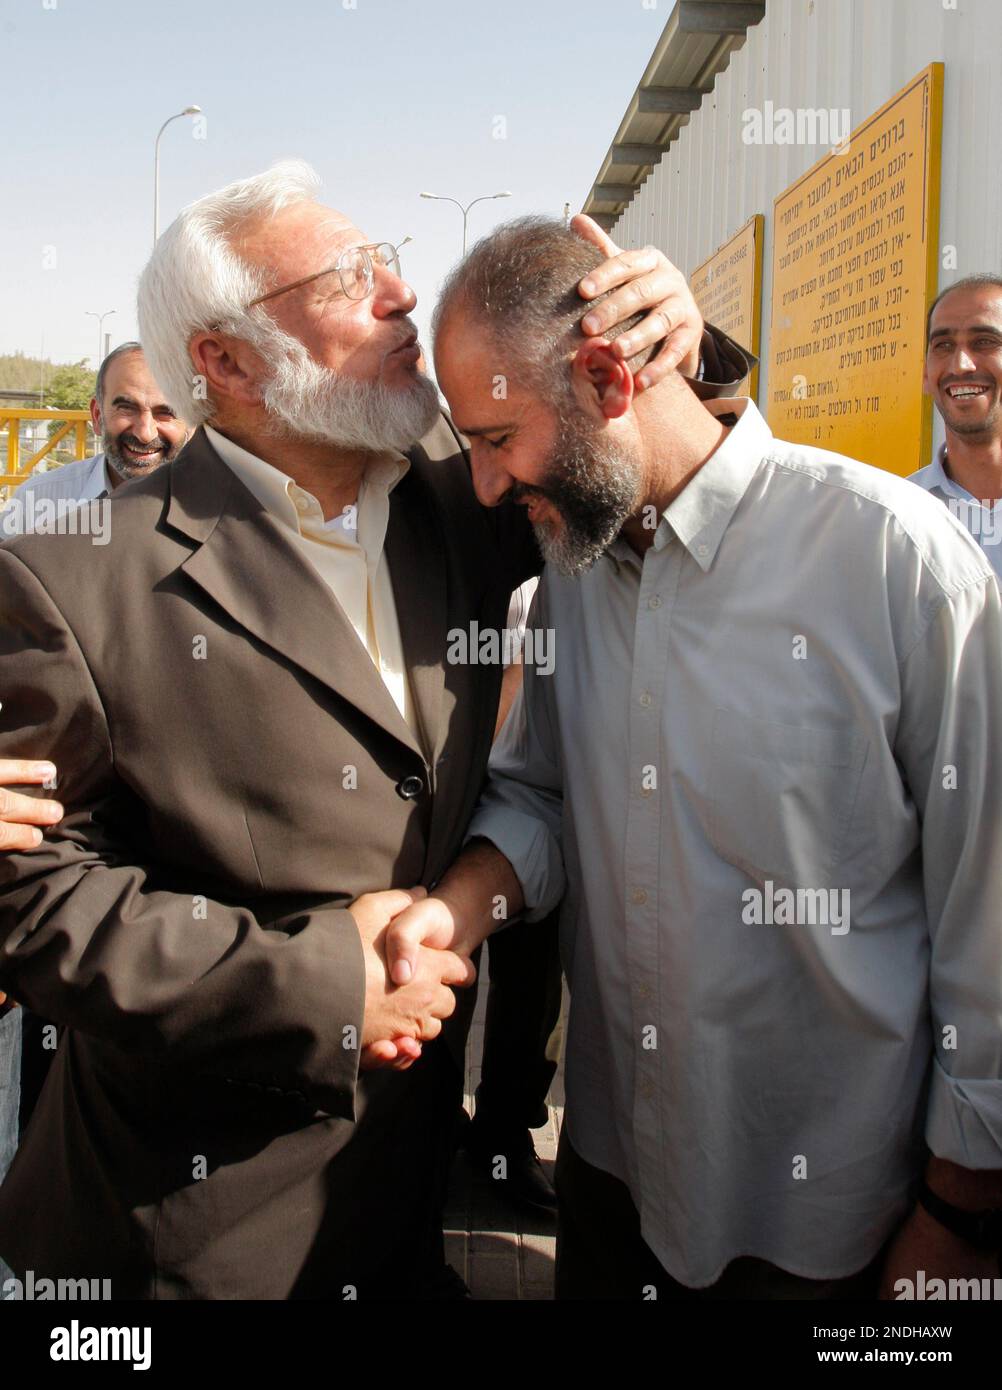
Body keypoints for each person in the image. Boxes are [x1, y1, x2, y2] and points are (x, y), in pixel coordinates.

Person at [0, 163, 750, 1299]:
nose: (402, 294)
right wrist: (320, 980)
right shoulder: (73, 579)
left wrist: (683, 354)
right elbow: (36, 891)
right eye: (351, 277)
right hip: (188, 1236)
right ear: (225, 358)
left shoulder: (472, 503)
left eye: (387, 257)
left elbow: (645, 473)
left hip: (404, 1203)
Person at [383, 216, 1002, 1300]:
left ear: (608, 377)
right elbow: (541, 798)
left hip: (836, 1223)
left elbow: (988, 919)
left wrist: (959, 1215)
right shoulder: (570, 566)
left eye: (495, 438)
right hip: (616, 1179)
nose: (483, 485)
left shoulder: (896, 563)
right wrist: (455, 910)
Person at [2, 342, 190, 534]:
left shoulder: (216, 509)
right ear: (97, 415)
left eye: (167, 412)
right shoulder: (35, 505)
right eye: (126, 408)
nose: (145, 433)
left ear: (192, 422)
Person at [910, 275, 1002, 580]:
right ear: (925, 374)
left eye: (985, 342)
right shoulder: (896, 513)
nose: (960, 364)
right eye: (943, 345)